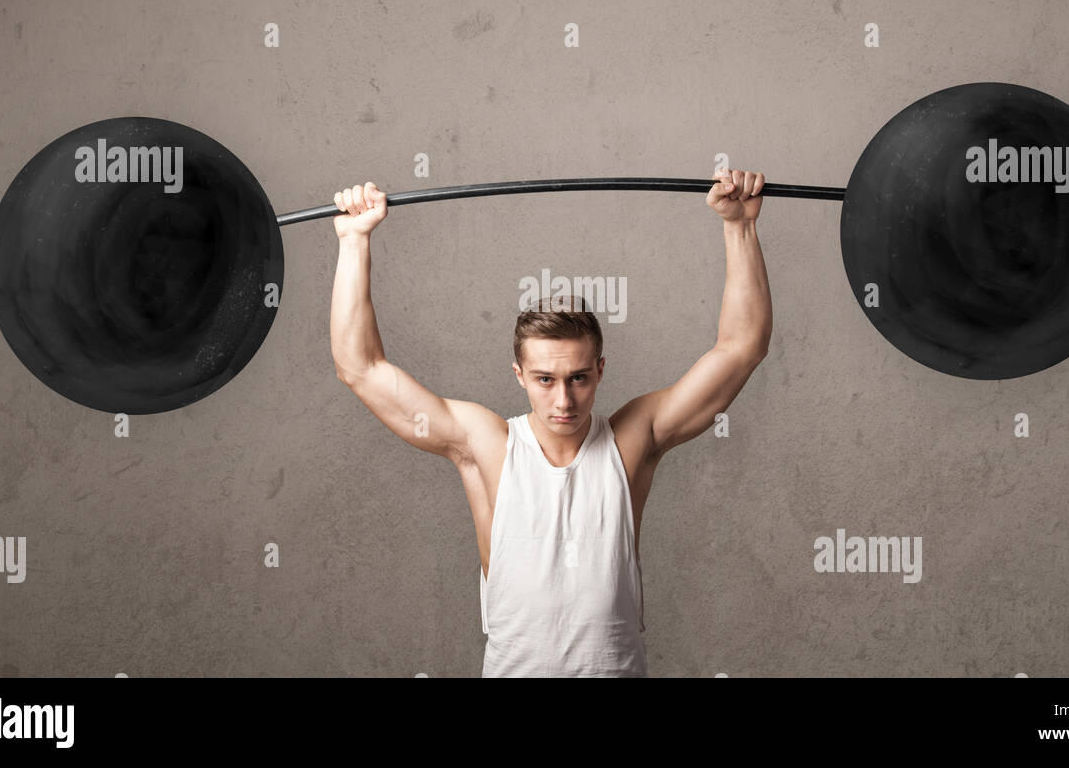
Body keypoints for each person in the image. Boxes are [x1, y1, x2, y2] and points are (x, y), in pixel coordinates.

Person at [329, 168, 772, 676]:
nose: (563, 399)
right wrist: (354, 242)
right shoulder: (487, 445)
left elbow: (742, 349)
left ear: (601, 370)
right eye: (544, 380)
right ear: (518, 374)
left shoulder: (631, 440)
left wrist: (739, 228)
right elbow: (359, 367)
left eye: (579, 378)